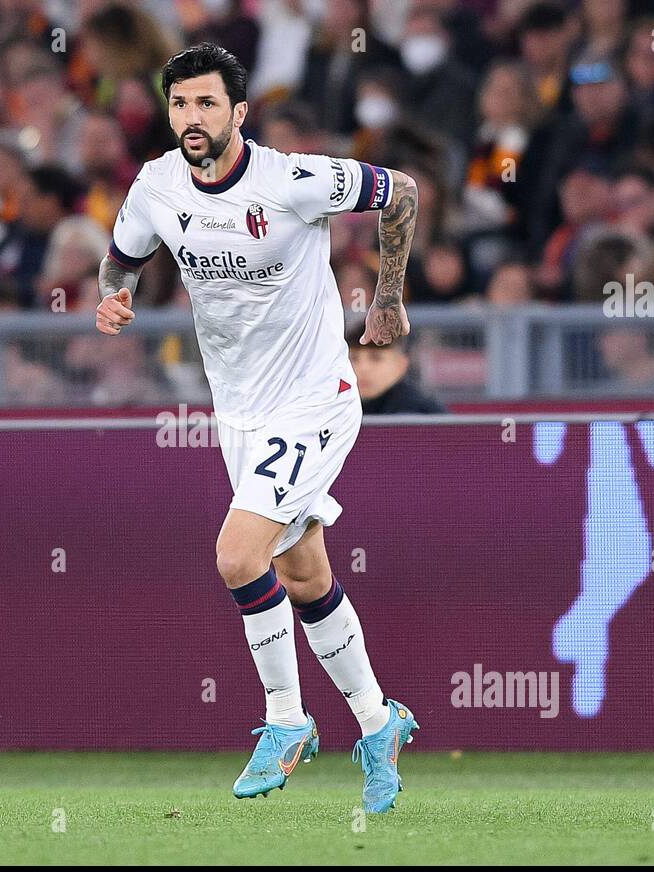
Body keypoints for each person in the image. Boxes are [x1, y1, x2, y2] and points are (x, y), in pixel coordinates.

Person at [95, 43, 420, 813]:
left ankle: (287, 720)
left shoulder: (292, 179)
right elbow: (121, 260)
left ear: (239, 111)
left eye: (207, 103)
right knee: (304, 573)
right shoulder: (156, 186)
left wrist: (387, 296)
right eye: (180, 104)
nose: (192, 118)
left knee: (238, 554)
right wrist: (113, 298)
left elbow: (399, 191)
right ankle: (379, 723)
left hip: (315, 399)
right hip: (238, 411)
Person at [346, 326, 447, 414]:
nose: (363, 368)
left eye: (376, 358)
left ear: (401, 365)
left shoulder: (423, 416)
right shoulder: (337, 407)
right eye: (353, 358)